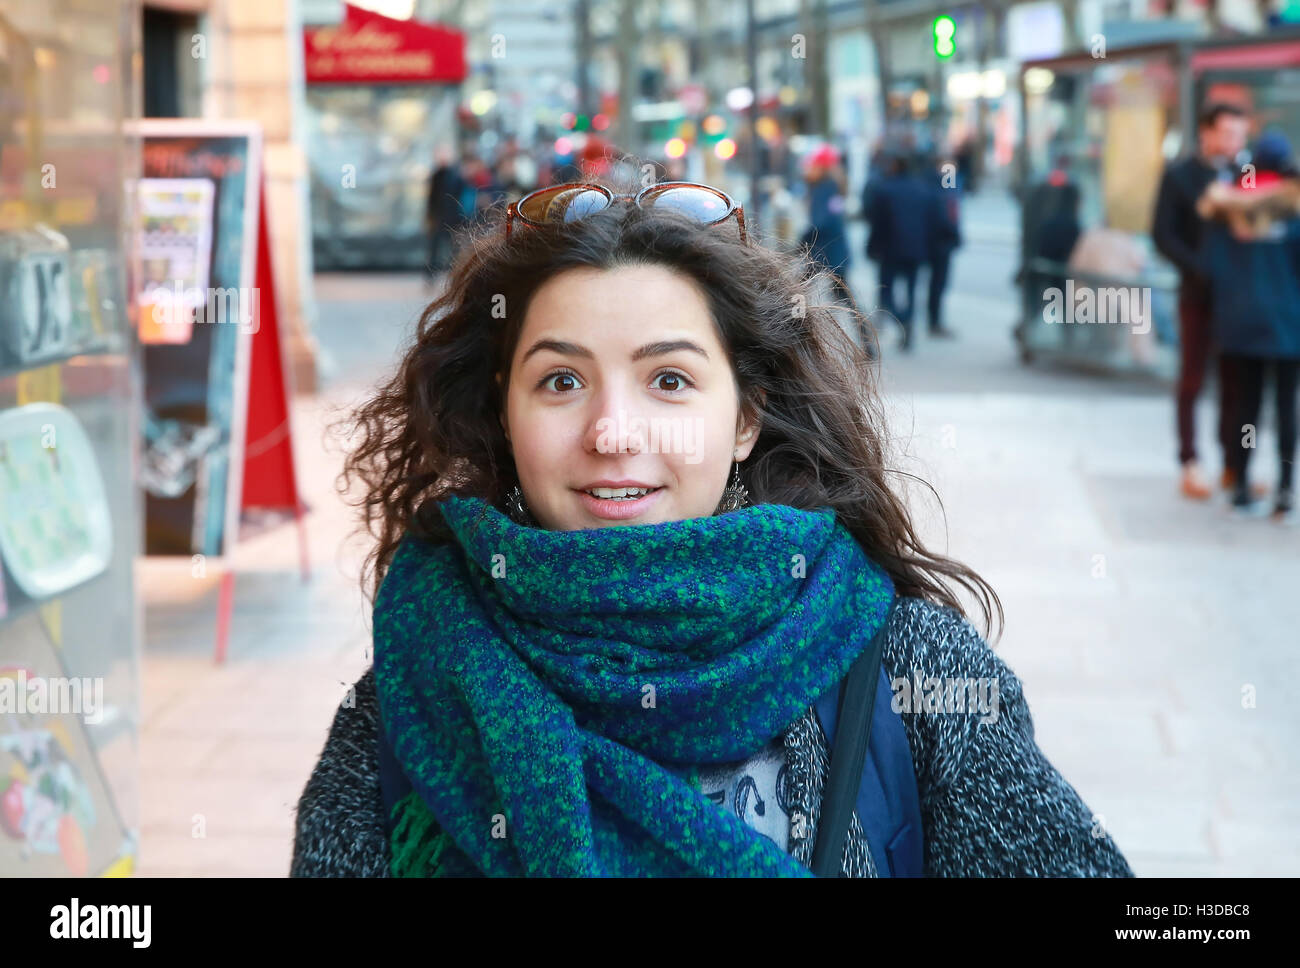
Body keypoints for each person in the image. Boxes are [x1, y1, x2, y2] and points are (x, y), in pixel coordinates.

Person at [289, 165, 1134, 878]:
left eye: (668, 381)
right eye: (560, 381)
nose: (612, 433)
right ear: (501, 414)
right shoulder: (415, 681)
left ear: (744, 419)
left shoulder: (907, 671)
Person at [1196, 130, 1300, 521]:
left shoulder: (1227, 208)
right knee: (1287, 408)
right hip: (1289, 324)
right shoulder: (1293, 208)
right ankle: (1285, 492)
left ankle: (1241, 486)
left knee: (1246, 407)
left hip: (1240, 322)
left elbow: (1210, 266)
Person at [1152, 102, 1251, 501]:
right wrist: (1198, 268)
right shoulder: (1179, 176)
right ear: (1206, 133)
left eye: (1239, 136)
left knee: (1235, 380)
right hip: (1197, 293)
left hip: (1237, 297)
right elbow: (1162, 234)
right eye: (1227, 134)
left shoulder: (1245, 175)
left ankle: (1232, 463)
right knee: (1192, 377)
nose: (1233, 143)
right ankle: (1190, 461)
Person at [867, 152, 933, 351]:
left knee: (886, 294)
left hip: (890, 250)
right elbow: (931, 222)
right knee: (912, 291)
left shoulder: (885, 190)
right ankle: (908, 323)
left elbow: (877, 224)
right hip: (916, 249)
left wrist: (872, 247)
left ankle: (902, 321)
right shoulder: (923, 190)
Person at [923, 153, 961, 339]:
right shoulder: (938, 187)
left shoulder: (948, 186)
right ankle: (933, 321)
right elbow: (943, 216)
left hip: (943, 241)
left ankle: (934, 320)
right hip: (939, 241)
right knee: (937, 283)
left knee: (938, 283)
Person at [424, 145, 468, 276]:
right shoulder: (436, 175)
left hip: (453, 217)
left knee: (454, 248)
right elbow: (432, 198)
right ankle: (431, 275)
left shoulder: (456, 175)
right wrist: (430, 216)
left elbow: (461, 196)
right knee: (435, 249)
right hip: (439, 217)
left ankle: (454, 273)